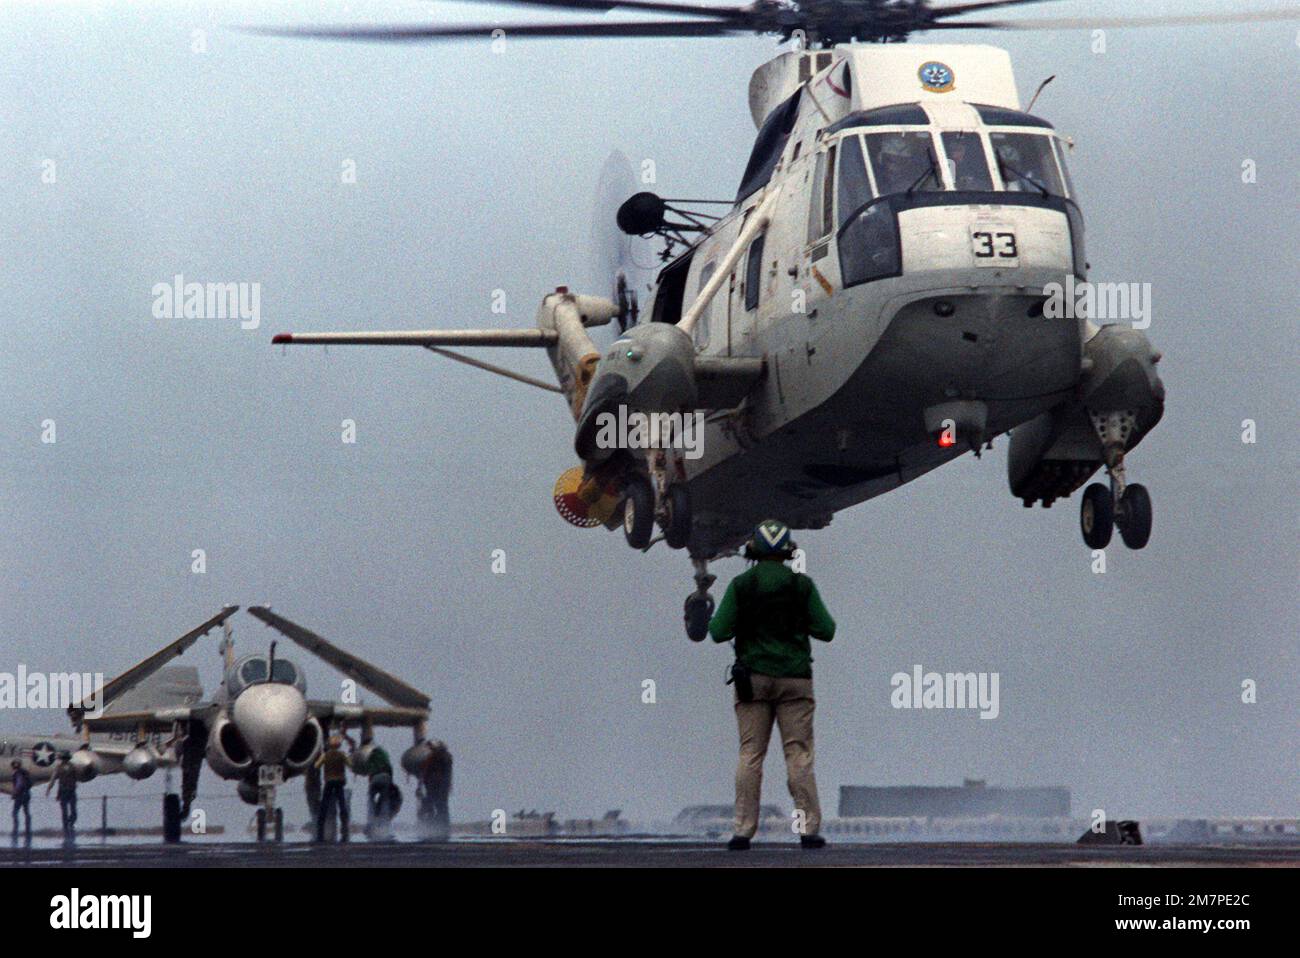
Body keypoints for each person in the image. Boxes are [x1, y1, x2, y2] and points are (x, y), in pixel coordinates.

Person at [707, 519, 836, 851]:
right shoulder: (802, 586)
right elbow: (827, 630)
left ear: (753, 550)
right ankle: (808, 830)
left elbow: (719, 631)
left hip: (753, 681)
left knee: (750, 754)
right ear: (789, 551)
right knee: (799, 755)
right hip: (795, 681)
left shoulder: (741, 585)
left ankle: (742, 831)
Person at [313, 734, 350, 843]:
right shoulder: (342, 755)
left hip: (329, 781)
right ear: (339, 745)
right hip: (339, 781)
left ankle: (320, 824)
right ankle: (344, 824)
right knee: (341, 803)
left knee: (325, 803)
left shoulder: (325, 755)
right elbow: (350, 764)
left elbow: (316, 766)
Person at [416, 740, 453, 840]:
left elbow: (426, 771)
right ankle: (442, 828)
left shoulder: (435, 757)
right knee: (442, 807)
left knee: (433, 805)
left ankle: (436, 827)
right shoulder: (447, 756)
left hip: (435, 785)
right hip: (441, 785)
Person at [45, 752, 78, 842]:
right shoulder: (58, 768)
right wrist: (49, 788)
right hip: (63, 790)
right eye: (64, 758)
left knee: (73, 811)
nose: (65, 760)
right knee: (64, 811)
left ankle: (70, 823)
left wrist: (75, 785)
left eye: (66, 758)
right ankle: (66, 827)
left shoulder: (73, 767)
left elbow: (77, 778)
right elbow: (53, 778)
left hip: (71, 790)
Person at [364, 737, 394, 835]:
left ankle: (371, 822)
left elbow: (368, 768)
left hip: (375, 778)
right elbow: (390, 768)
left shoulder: (372, 755)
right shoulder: (385, 755)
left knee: (371, 798)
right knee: (385, 800)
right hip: (386, 777)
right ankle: (385, 825)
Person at [10, 760, 32, 842]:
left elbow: (19, 784)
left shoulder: (17, 774)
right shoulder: (25, 773)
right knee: (26, 812)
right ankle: (28, 828)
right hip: (27, 794)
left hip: (20, 795)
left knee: (15, 812)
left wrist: (14, 793)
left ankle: (15, 829)